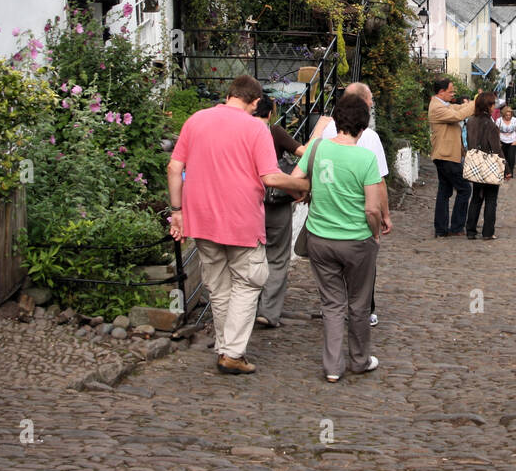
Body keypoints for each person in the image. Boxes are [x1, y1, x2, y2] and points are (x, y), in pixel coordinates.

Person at [167, 75, 309, 375]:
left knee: (218, 287)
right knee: (248, 282)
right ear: (256, 101)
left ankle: (223, 346)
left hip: (202, 218)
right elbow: (270, 177)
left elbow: (174, 167)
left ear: (230, 94)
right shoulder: (256, 128)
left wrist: (177, 211)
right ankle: (232, 353)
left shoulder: (196, 120)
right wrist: (299, 184)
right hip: (241, 220)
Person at [291, 94, 390, 382]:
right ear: (363, 126)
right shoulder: (365, 158)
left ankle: (333, 367)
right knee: (358, 304)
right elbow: (372, 208)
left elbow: (296, 178)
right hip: (357, 240)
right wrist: (375, 233)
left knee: (331, 304)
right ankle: (359, 360)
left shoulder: (318, 148)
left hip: (320, 239)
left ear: (335, 120)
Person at [310, 82, 390, 324]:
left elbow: (308, 167)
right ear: (364, 103)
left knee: (332, 270)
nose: (373, 103)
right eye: (371, 99)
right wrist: (385, 216)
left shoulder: (325, 133)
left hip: (325, 217)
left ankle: (333, 308)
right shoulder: (370, 137)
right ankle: (366, 311)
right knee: (363, 270)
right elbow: (379, 183)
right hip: (357, 219)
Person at [253, 94, 305, 331]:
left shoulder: (242, 131)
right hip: (275, 202)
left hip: (248, 203)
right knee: (277, 257)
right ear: (270, 112)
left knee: (249, 256)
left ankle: (248, 307)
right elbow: (303, 153)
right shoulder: (274, 132)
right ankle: (268, 311)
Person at [428, 78, 475, 237]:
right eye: (450, 91)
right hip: (446, 155)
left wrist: (471, 104)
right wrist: (476, 103)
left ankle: (441, 229)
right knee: (464, 189)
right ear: (441, 92)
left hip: (446, 155)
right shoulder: (437, 108)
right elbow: (458, 115)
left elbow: (459, 107)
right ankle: (456, 226)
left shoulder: (444, 105)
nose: (453, 93)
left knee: (445, 191)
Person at [464, 91, 503, 240]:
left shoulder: (471, 121)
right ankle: (487, 232)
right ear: (488, 106)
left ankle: (471, 230)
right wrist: (506, 168)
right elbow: (496, 148)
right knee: (491, 199)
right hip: (489, 164)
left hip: (475, 163)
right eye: (493, 104)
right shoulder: (490, 125)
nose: (494, 107)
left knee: (476, 197)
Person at [496, 105, 516, 180]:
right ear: (503, 114)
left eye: (510, 115)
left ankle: (510, 173)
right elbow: (497, 132)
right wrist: (498, 142)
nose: (508, 116)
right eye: (507, 115)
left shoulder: (514, 120)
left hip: (512, 141)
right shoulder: (499, 120)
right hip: (502, 142)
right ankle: (503, 173)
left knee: (511, 158)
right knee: (503, 158)